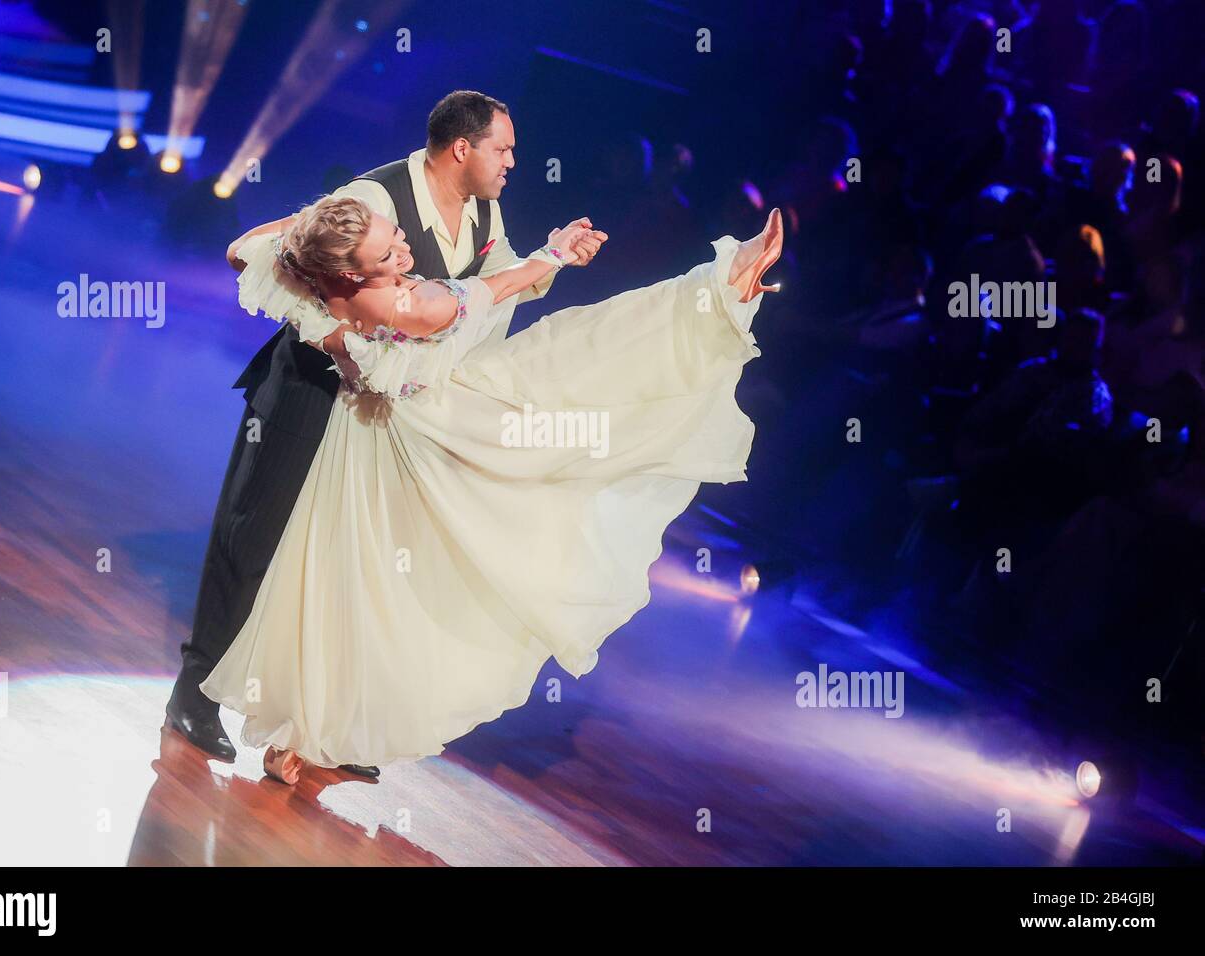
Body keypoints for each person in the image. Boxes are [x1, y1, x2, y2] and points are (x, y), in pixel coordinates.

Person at [197, 196, 784, 783]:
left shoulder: (311, 283)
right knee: (579, 355)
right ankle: (716, 293)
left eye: (396, 233)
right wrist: (553, 254)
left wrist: (306, 223)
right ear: (352, 272)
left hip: (362, 439)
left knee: (357, 588)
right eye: (388, 249)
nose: (404, 247)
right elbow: (495, 289)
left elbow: (239, 249)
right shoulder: (412, 305)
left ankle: (306, 736)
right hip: (438, 424)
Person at [164, 92, 604, 777]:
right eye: (503, 149)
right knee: (253, 538)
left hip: (375, 417)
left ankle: (322, 729)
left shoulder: (483, 210)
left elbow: (494, 283)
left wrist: (557, 254)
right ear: (463, 148)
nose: (513, 162)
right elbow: (273, 254)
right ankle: (194, 696)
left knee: (353, 562)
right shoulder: (376, 197)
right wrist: (336, 335)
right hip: (308, 395)